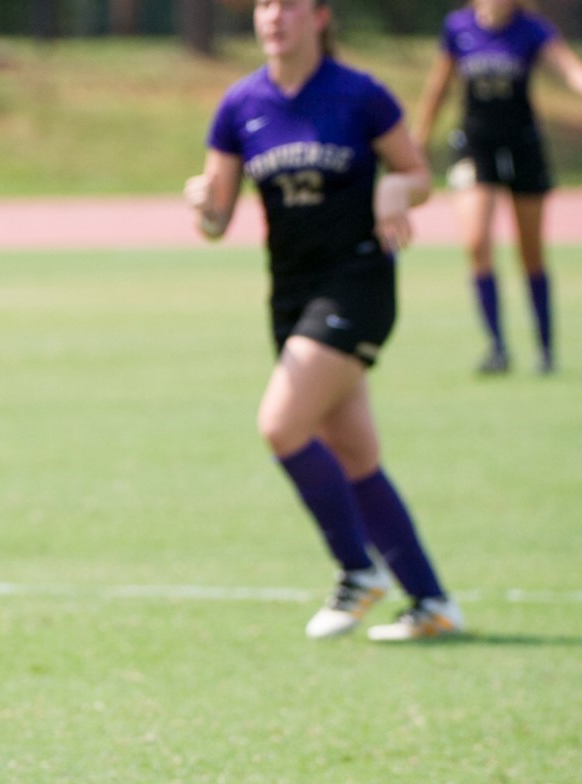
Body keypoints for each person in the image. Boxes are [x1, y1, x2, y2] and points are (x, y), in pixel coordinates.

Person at [186, 0, 465, 640]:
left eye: (288, 5)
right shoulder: (239, 104)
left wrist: (397, 188)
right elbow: (217, 221)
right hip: (290, 295)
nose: (273, 16)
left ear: (319, 16)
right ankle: (432, 602)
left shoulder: (359, 93)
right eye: (264, 5)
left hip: (357, 283)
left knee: (280, 425)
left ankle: (357, 571)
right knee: (355, 453)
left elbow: (417, 173)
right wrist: (203, 206)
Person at [412, 0, 582, 374]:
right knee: (476, 243)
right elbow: (439, 86)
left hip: (523, 146)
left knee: (531, 252)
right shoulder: (458, 27)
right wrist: (420, 139)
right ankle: (498, 348)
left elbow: (570, 70)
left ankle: (545, 349)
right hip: (476, 147)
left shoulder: (531, 28)